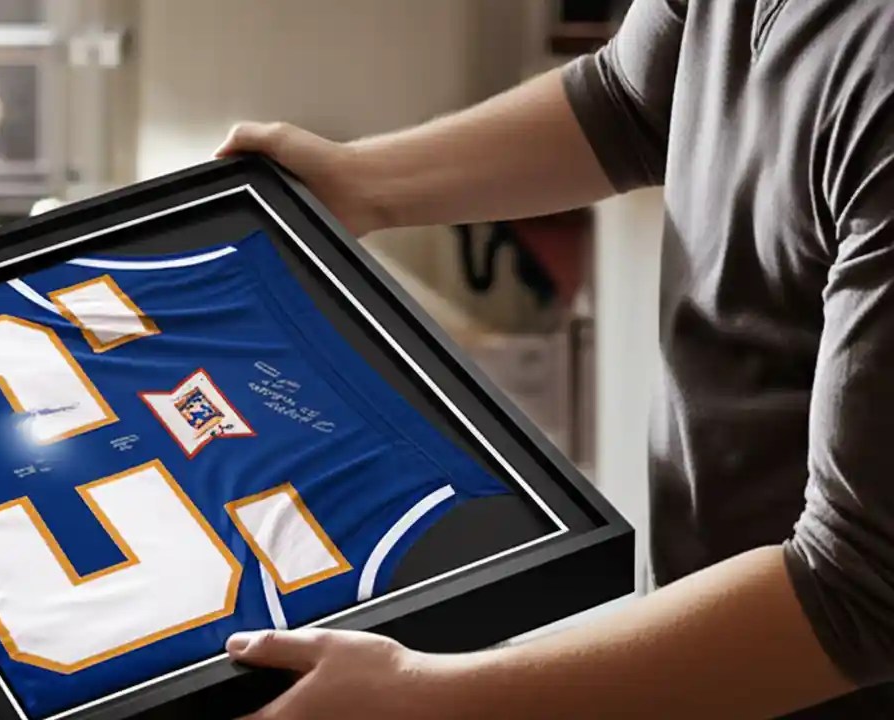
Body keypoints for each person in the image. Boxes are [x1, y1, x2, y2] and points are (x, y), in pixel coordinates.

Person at [214, 1, 894, 718]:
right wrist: (362, 184)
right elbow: (627, 102)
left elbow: (858, 589)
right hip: (698, 619)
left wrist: (427, 700)